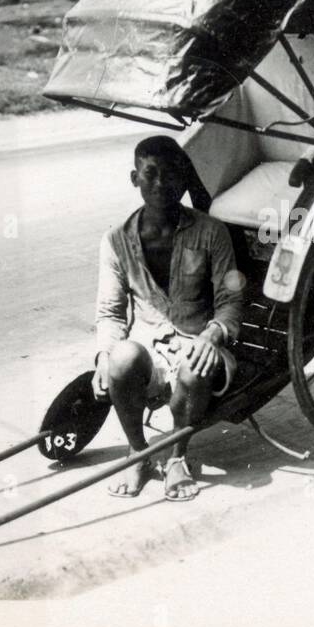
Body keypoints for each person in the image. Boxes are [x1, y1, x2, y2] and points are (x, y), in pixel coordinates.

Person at [93, 135, 244, 501]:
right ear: (135, 178)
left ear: (184, 179)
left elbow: (229, 300)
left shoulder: (211, 231)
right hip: (148, 351)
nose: (162, 184)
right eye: (151, 174)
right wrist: (103, 357)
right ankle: (138, 453)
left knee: (195, 363)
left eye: (172, 175)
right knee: (121, 357)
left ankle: (178, 458)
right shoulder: (115, 241)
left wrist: (213, 334)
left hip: (199, 346)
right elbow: (111, 313)